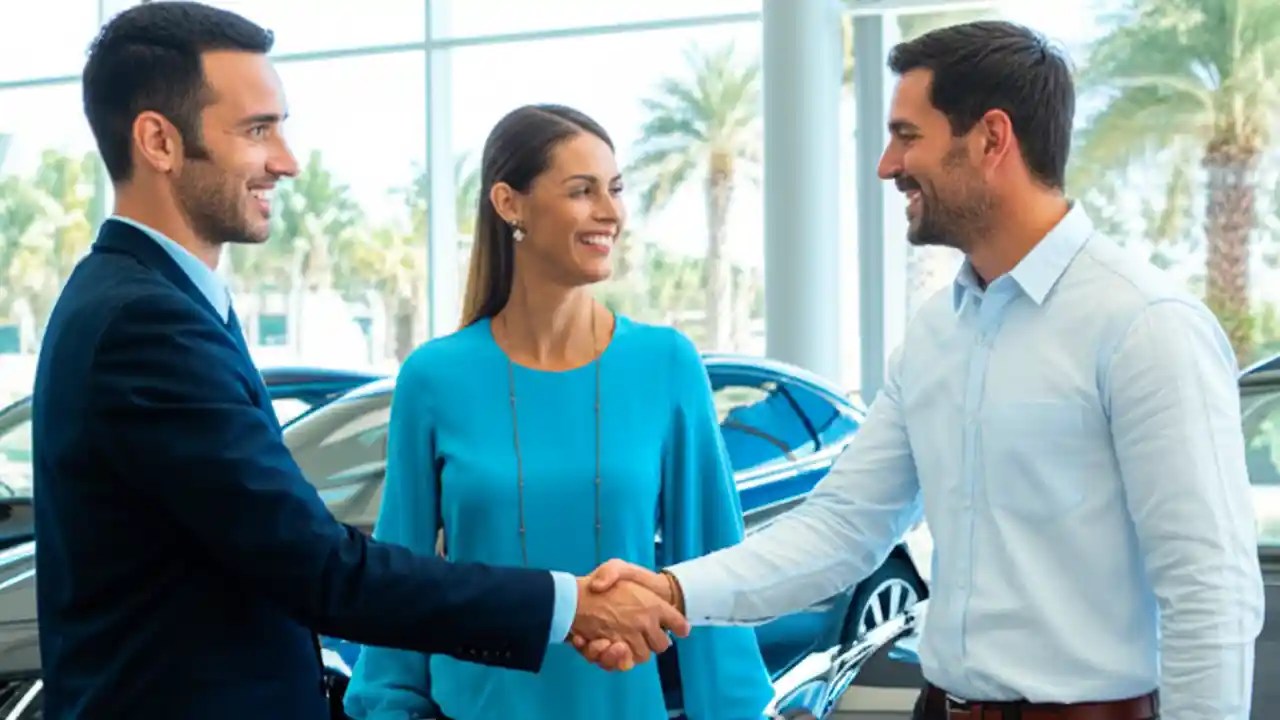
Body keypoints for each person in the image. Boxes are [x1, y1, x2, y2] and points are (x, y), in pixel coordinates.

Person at [586, 20, 1266, 720]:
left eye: (908, 135)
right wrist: (670, 590)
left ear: (991, 139)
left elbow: (1209, 591)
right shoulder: (938, 333)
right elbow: (840, 530)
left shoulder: (1144, 326)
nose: (887, 164)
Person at [31, 4, 685, 718]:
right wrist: (568, 605)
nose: (287, 160)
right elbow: (316, 566)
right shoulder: (144, 322)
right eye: (258, 129)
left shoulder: (157, 302)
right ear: (158, 140)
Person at [341, 104, 774, 720]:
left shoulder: (667, 364)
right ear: (509, 203)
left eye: (615, 189)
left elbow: (713, 571)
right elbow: (398, 580)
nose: (611, 212)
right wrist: (387, 709)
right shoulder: (434, 378)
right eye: (582, 190)